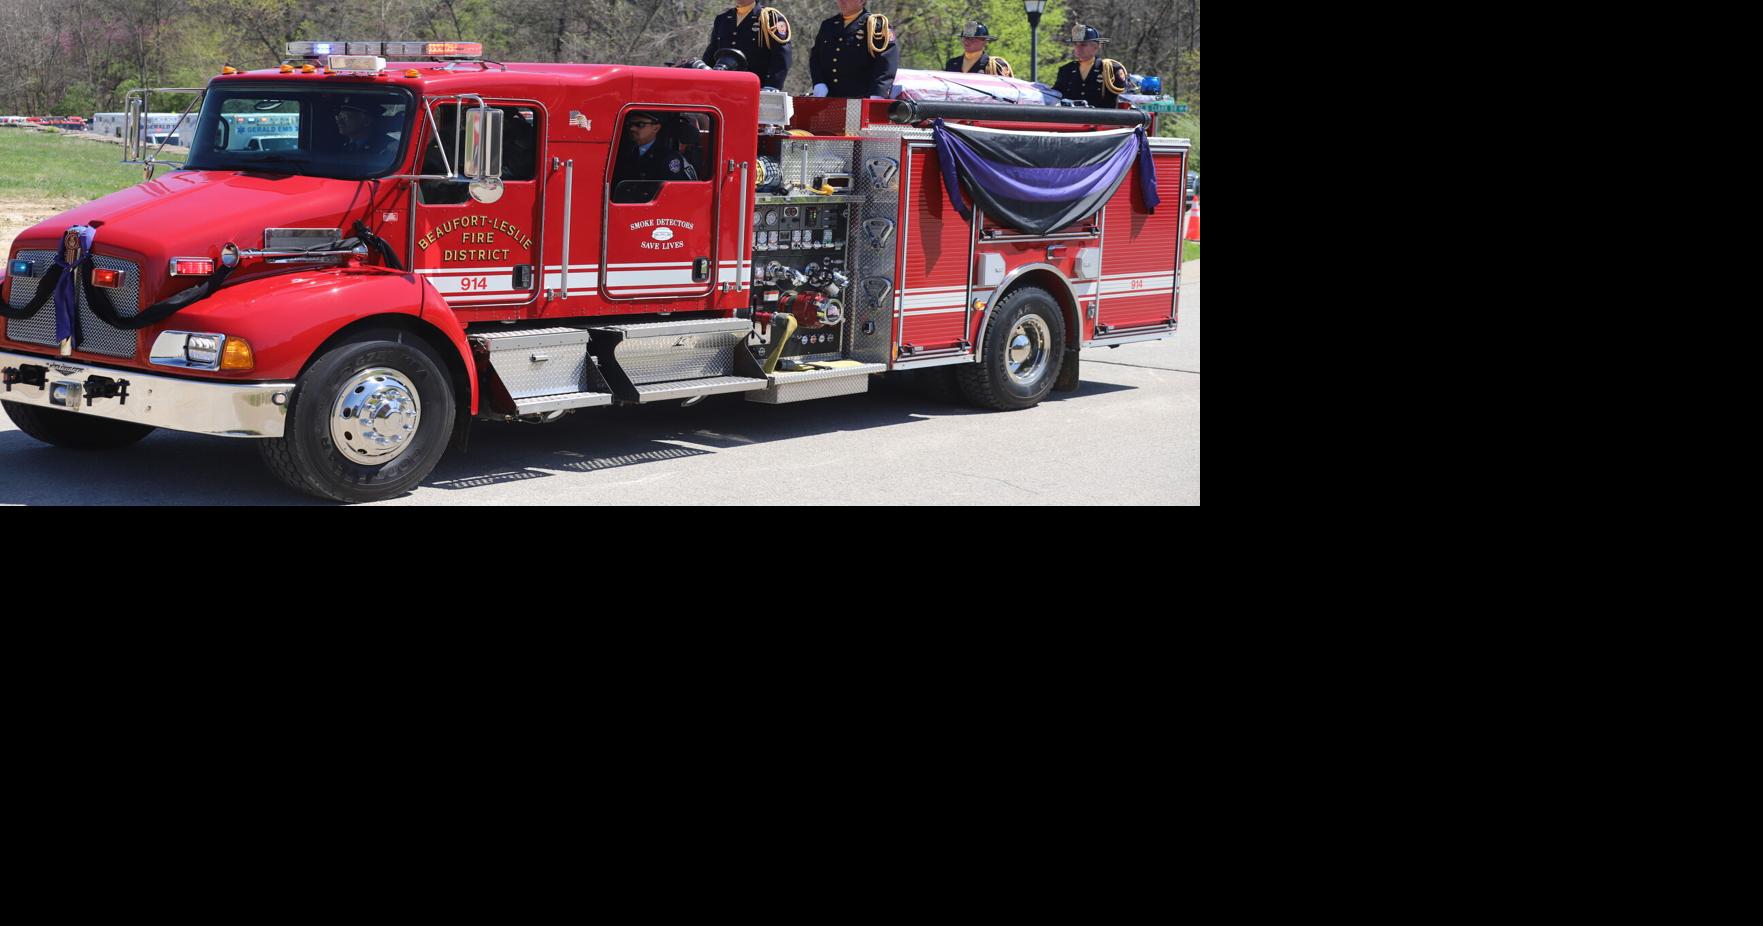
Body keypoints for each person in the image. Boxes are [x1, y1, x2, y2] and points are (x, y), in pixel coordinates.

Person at [809, 0, 898, 99]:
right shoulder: (828, 25)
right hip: (829, 98)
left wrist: (878, 92)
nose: (841, 1)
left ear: (861, 1)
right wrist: (818, 82)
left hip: (861, 98)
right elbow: (815, 57)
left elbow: (886, 63)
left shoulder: (876, 26)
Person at [612, 111, 697, 203]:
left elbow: (672, 196)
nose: (632, 128)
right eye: (630, 124)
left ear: (656, 128)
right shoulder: (624, 152)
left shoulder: (669, 159)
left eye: (640, 124)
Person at [704, 3, 793, 90]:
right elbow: (712, 52)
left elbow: (782, 56)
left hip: (756, 88)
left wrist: (772, 85)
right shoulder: (722, 19)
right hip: (723, 87)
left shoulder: (772, 18)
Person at [1052, 24, 1129, 109]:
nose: (1078, 48)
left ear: (1096, 47)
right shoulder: (1066, 70)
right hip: (1072, 119)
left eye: (1083, 44)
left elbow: (1123, 94)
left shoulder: (1111, 69)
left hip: (1102, 119)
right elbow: (1056, 95)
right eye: (1075, 44)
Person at [943, 21, 1012, 77]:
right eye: (964, 37)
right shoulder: (951, 64)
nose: (966, 41)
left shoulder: (995, 66)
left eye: (972, 38)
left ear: (984, 41)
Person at [333, 99, 397, 157]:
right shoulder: (338, 143)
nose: (339, 121)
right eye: (339, 117)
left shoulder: (388, 146)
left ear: (366, 121)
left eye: (345, 117)